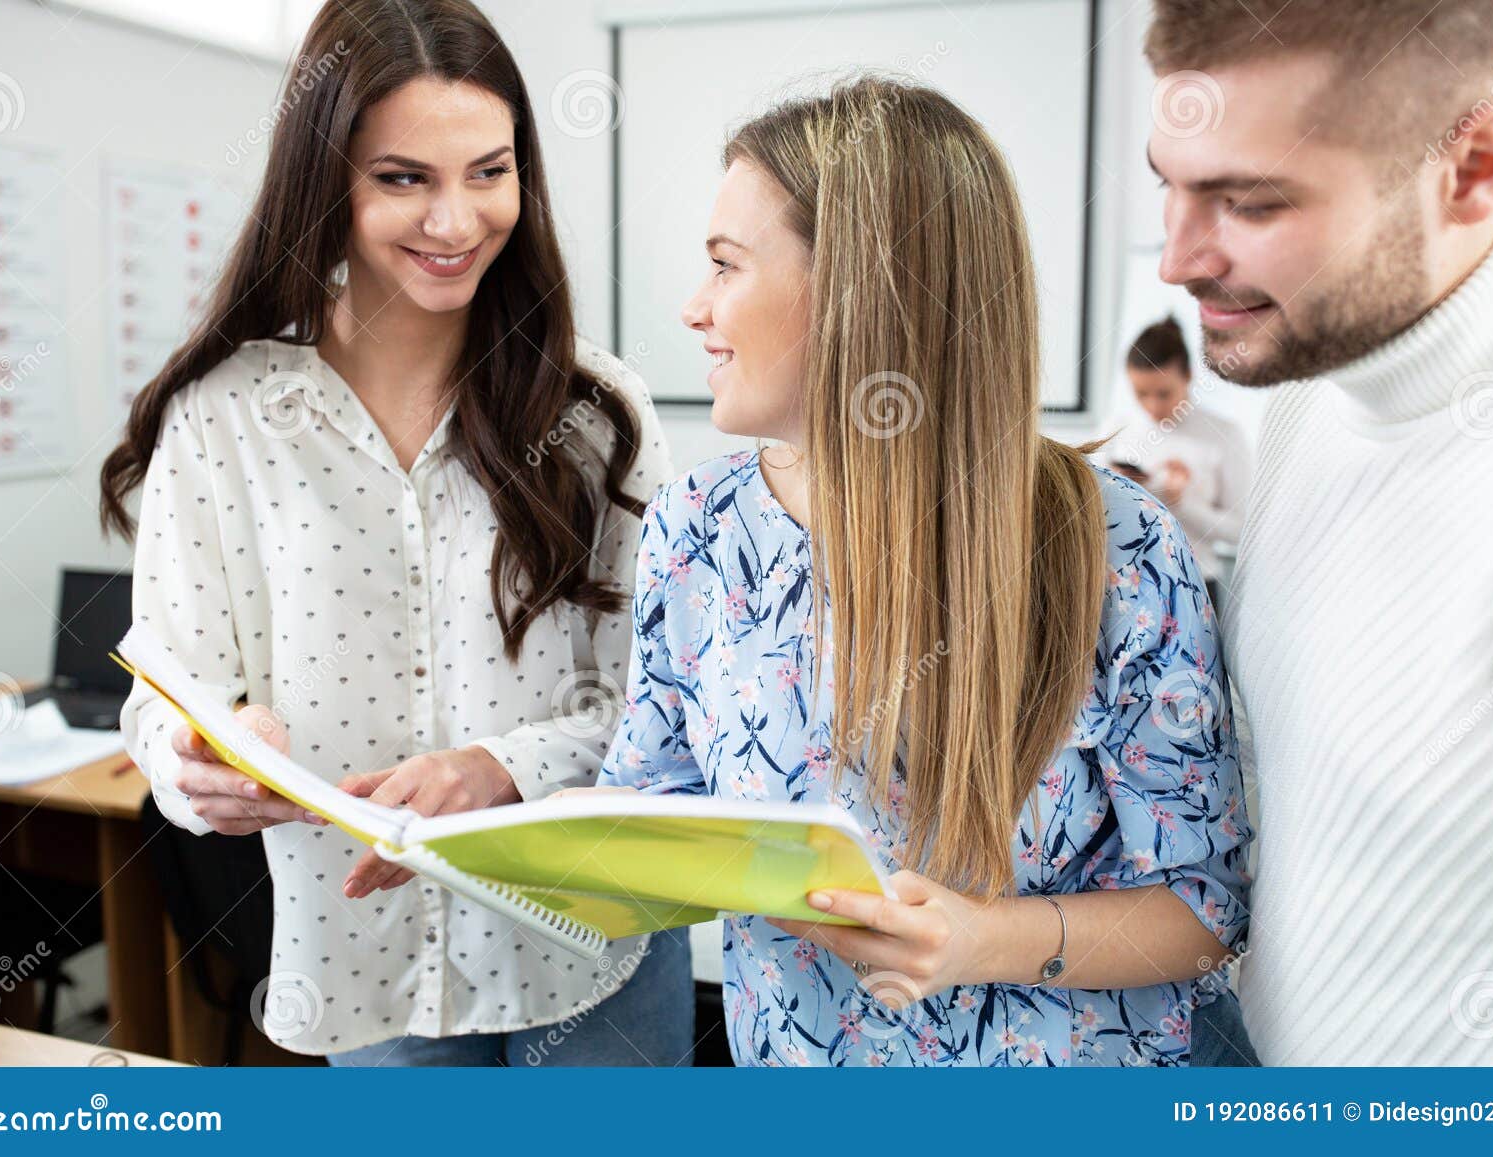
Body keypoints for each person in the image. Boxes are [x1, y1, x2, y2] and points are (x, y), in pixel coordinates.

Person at [574, 76, 1253, 1066]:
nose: (692, 306)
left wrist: (982, 940)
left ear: (858, 290)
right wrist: (528, 851)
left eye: (725, 265)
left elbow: (1201, 909)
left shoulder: (1116, 545)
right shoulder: (695, 527)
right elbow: (654, 812)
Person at [102, 0, 691, 1065]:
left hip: (593, 933)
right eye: (403, 177)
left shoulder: (599, 411)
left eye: (488, 170)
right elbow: (166, 692)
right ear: (326, 178)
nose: (456, 221)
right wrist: (193, 762)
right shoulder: (226, 416)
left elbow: (662, 704)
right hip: (364, 952)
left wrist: (502, 766)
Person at [1147, 0, 1493, 1064]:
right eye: (1167, 184)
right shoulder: (1307, 376)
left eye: (1248, 202)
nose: (1175, 260)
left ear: (1474, 168)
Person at [1102, 317, 1251, 595]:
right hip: (1125, 584)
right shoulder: (1116, 430)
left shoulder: (1224, 434)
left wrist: (1182, 503)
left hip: (1195, 584)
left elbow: (1241, 531)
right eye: (1141, 393)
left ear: (1188, 376)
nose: (1152, 405)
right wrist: (1115, 491)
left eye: (1164, 393)